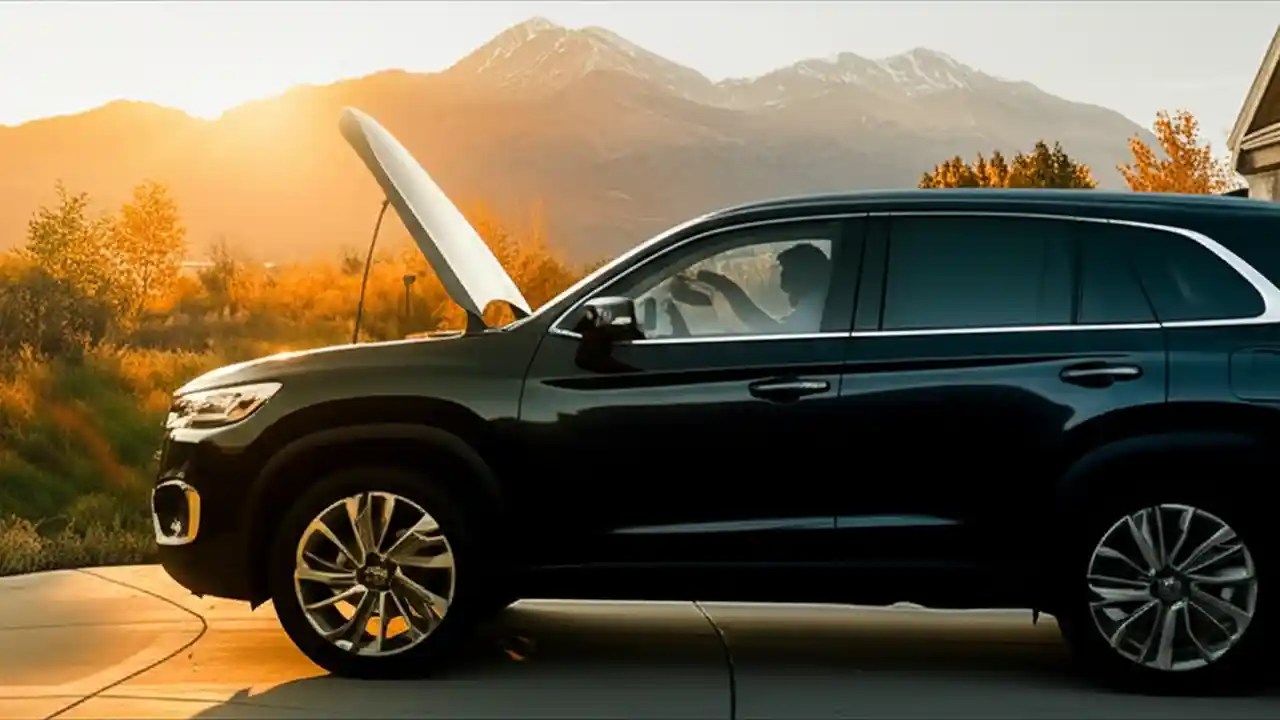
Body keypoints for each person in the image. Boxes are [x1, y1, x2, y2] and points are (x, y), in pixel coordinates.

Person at [674, 242, 831, 334]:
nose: (782, 276)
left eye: (786, 270)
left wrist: (726, 286)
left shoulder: (815, 306)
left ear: (803, 274)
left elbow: (768, 329)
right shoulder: (819, 303)